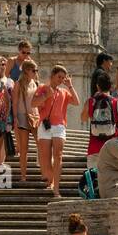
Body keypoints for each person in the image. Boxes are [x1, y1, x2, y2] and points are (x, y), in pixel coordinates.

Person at [31, 65, 79, 198]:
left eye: (63, 78)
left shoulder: (64, 91)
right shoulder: (42, 88)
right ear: (52, 75)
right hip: (44, 126)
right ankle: (50, 179)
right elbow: (33, 103)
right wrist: (46, 95)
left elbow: (76, 102)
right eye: (59, 77)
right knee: (45, 160)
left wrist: (70, 86)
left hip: (59, 126)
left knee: (58, 156)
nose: (61, 80)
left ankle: (56, 188)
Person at [81, 72, 118, 169]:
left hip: (94, 148)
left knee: (94, 180)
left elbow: (83, 118)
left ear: (97, 86)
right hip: (113, 148)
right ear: (111, 87)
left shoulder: (91, 102)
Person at [12, 58, 40, 181]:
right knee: (24, 148)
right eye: (34, 70)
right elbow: (15, 102)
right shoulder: (19, 83)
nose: (36, 72)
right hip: (22, 116)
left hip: (35, 116)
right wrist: (15, 118)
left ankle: (43, 170)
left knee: (41, 145)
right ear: (27, 70)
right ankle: (23, 175)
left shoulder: (36, 82)